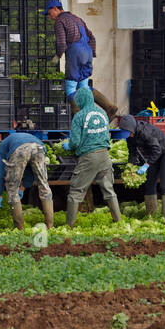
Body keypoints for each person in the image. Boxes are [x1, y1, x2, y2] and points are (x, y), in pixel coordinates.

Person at [65, 85, 121, 226]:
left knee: (76, 192)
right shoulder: (102, 113)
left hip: (88, 158)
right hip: (105, 156)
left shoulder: (79, 116)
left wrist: (68, 146)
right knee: (109, 191)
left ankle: (69, 226)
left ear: (81, 100)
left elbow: (76, 142)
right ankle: (118, 222)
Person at [119, 114, 165, 219]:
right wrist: (130, 165)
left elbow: (157, 150)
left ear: (132, 128)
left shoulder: (145, 132)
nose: (128, 134)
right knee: (150, 183)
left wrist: (146, 164)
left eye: (128, 132)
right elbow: (132, 152)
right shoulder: (130, 137)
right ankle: (151, 215)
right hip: (153, 155)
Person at [0, 131, 52, 230]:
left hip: (20, 150)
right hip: (39, 147)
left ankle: (19, 228)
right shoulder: (25, 136)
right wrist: (23, 187)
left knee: (12, 190)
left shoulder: (2, 146)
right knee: (44, 186)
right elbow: (30, 171)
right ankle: (50, 226)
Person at [45, 0, 95, 100]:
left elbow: (62, 43)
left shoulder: (60, 21)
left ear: (55, 9)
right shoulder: (77, 19)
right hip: (87, 53)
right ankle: (108, 106)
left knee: (70, 85)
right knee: (84, 85)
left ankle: (76, 113)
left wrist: (57, 56)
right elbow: (91, 37)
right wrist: (91, 52)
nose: (50, 17)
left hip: (75, 53)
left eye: (50, 14)